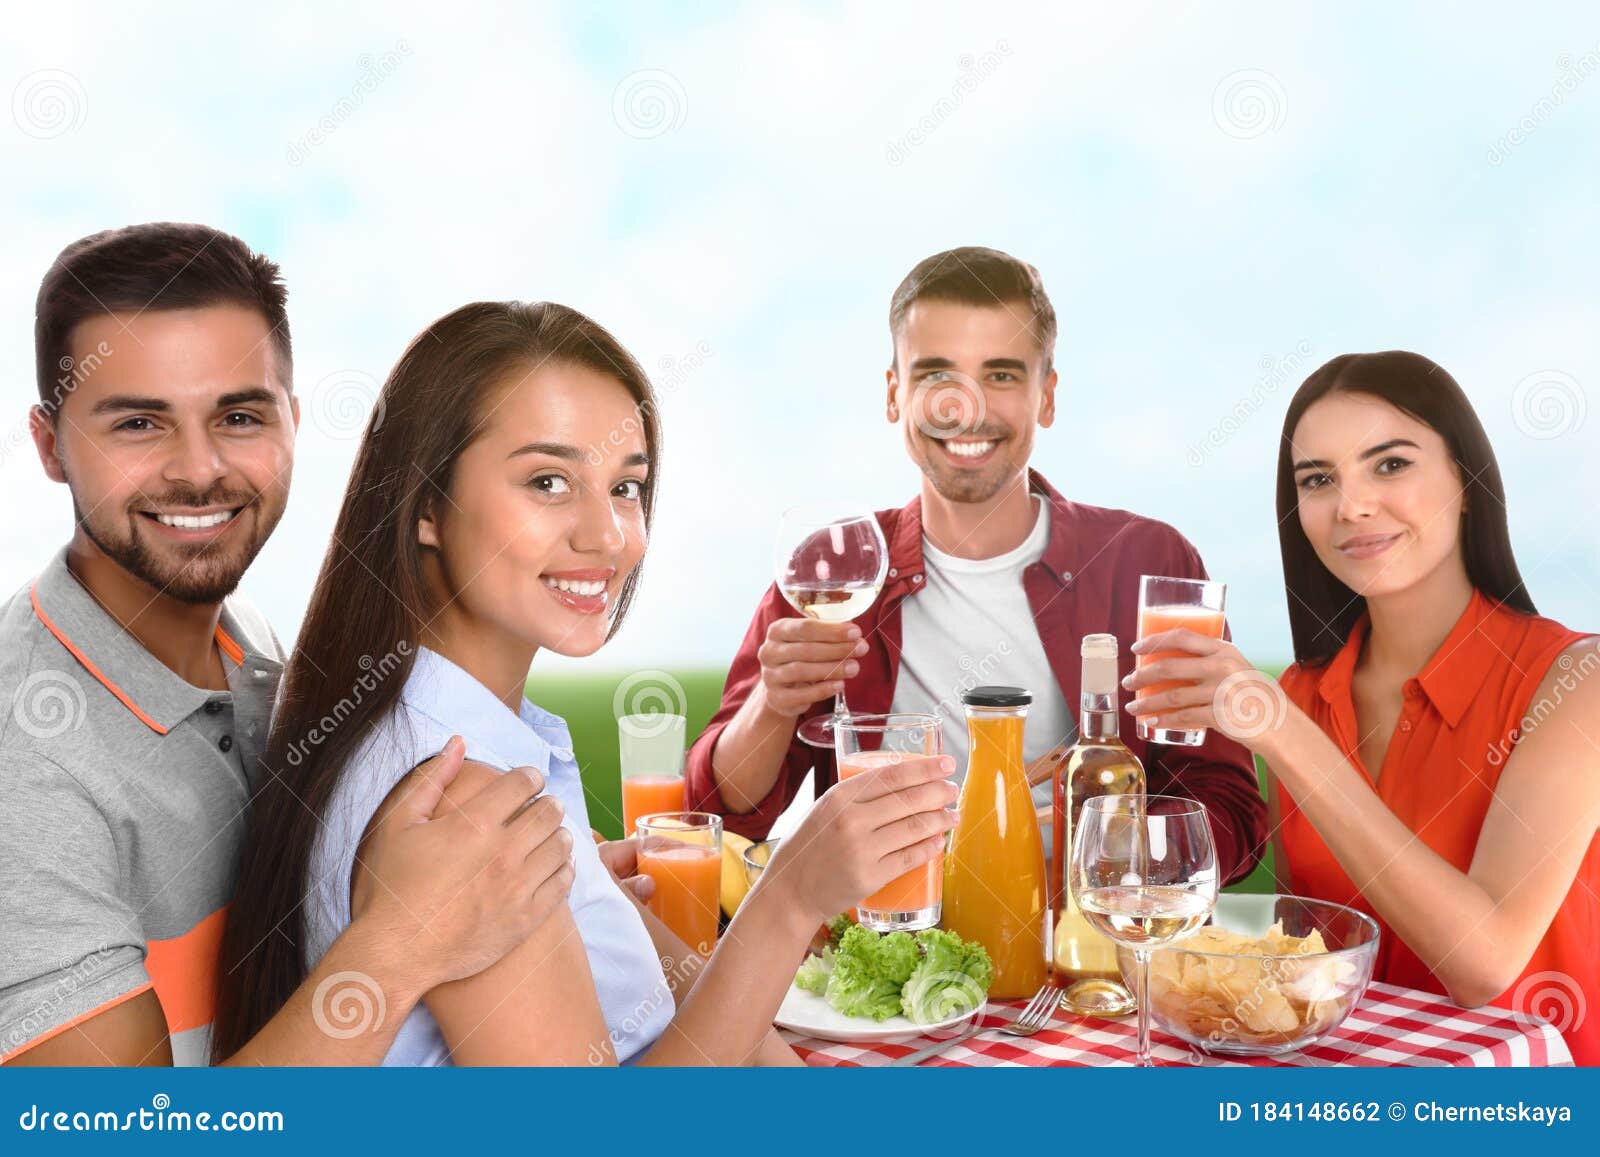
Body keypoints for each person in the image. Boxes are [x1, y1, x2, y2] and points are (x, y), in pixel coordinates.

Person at [214, 300, 959, 1065]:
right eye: (548, 480)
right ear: (426, 506)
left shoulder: (484, 748)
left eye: (626, 487)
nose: (606, 536)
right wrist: (791, 899)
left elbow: (700, 1024)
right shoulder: (463, 807)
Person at [1, 224, 579, 1066]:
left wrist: (532, 889)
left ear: (294, 422)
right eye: (137, 424)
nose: (199, 470)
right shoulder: (29, 762)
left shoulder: (252, 649)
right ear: (51, 446)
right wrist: (404, 944)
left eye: (239, 415)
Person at [685, 246, 1268, 884]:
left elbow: (1234, 819)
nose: (966, 408)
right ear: (894, 393)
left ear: (1046, 396)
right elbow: (717, 814)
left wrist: (1094, 853)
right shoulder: (834, 569)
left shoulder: (1147, 561)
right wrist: (771, 705)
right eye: (937, 375)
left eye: (1001, 376)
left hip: (1082, 952)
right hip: (894, 950)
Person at [1123, 351, 1600, 1064]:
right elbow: (1313, 954)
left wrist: (1282, 734)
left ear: (1467, 481)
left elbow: (1484, 962)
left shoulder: (1577, 684)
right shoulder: (1304, 695)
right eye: (1319, 479)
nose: (1351, 505)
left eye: (1390, 464)